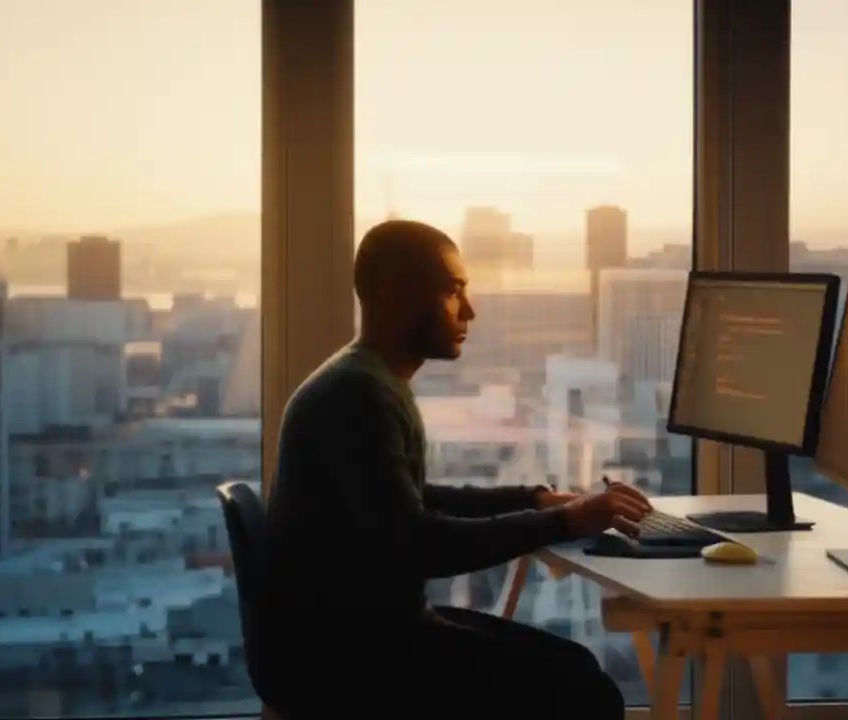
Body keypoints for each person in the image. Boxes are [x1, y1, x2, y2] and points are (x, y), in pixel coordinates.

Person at [263, 219, 652, 719]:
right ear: (396, 295)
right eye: (453, 292)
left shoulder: (363, 378)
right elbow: (417, 543)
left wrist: (531, 500)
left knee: (574, 665)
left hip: (348, 634)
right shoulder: (358, 395)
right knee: (585, 692)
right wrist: (564, 522)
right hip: (350, 654)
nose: (469, 310)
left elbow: (413, 498)